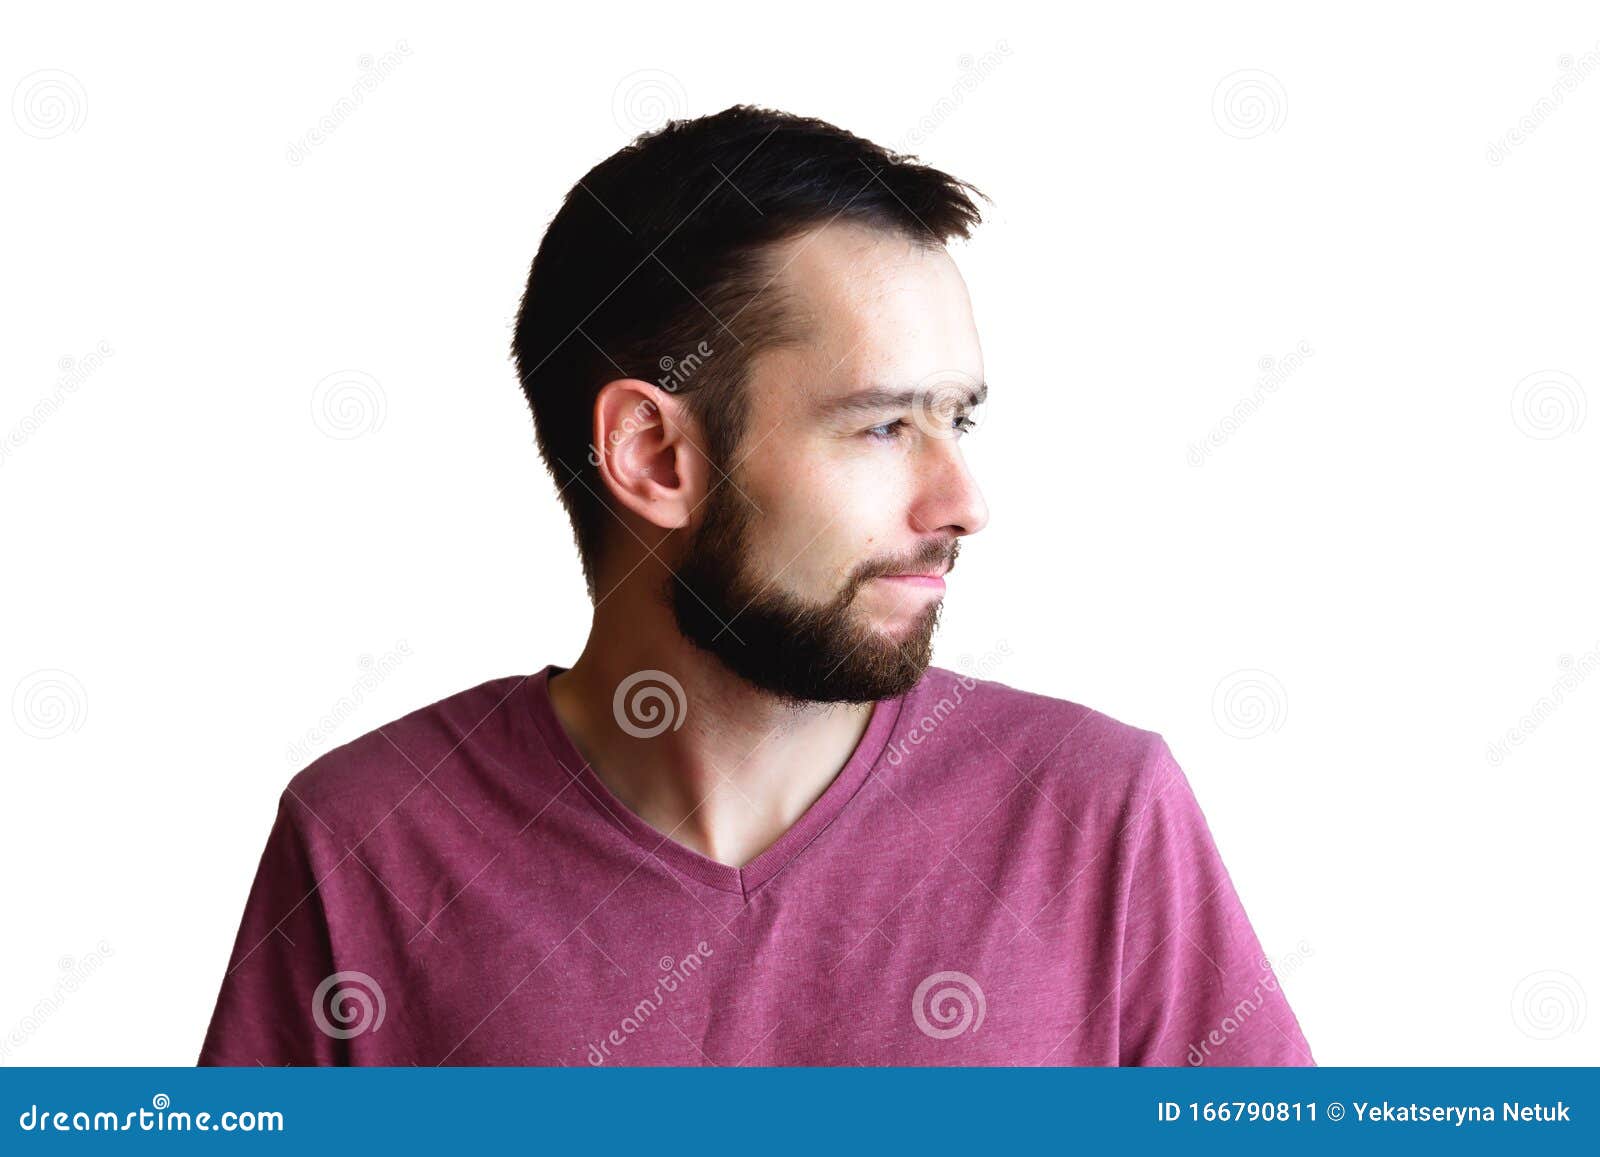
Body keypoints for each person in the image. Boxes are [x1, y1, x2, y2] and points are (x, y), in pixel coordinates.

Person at [199, 105, 1312, 1066]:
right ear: (653, 454)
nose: (962, 499)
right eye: (882, 425)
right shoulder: (368, 841)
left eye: (955, 416)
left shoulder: (1096, 813)